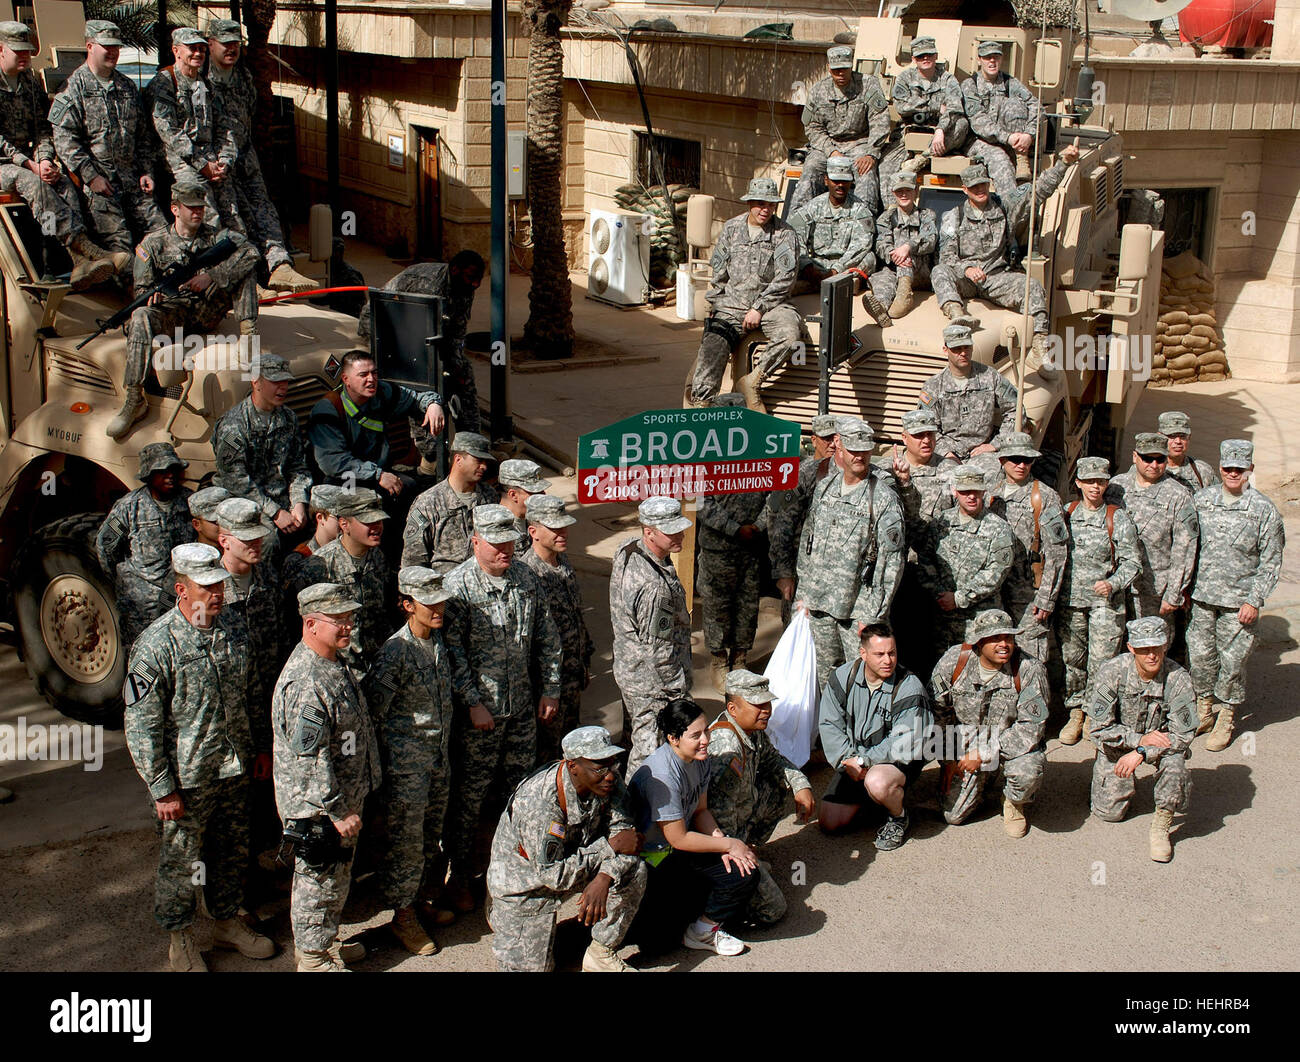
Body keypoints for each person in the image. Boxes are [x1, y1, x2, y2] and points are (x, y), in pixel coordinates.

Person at [124, 543, 275, 971]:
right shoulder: (156, 645)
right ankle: (181, 937)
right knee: (184, 860)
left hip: (235, 767)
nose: (216, 594)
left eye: (220, 586)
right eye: (206, 587)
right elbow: (141, 725)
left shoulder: (234, 629)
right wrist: (161, 787)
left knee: (231, 850)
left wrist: (261, 747)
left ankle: (227, 921)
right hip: (187, 778)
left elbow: (253, 694)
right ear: (180, 589)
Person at [442, 504, 563, 909]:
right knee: (470, 799)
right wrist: (473, 702)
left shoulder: (525, 577)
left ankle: (518, 874)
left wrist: (551, 688)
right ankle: (460, 876)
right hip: (481, 716)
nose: (504, 552)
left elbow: (547, 635)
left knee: (521, 795)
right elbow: (452, 653)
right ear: (475, 541)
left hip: (522, 711)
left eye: (509, 543)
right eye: (495, 545)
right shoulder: (457, 587)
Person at [272, 582, 380, 971]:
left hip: (343, 797)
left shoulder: (331, 661)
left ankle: (324, 942)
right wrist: (336, 810)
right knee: (317, 882)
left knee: (335, 879)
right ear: (311, 624)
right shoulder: (306, 680)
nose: (348, 626)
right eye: (339, 620)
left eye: (350, 617)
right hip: (319, 808)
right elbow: (309, 759)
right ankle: (313, 959)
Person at [107, 179, 261, 441]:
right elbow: (142, 288)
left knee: (245, 266)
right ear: (175, 209)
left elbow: (251, 251)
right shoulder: (152, 245)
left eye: (200, 207)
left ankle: (249, 335)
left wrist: (212, 276)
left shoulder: (216, 236)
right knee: (140, 316)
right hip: (175, 312)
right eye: (191, 207)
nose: (197, 213)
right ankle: (135, 398)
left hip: (207, 308)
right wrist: (153, 295)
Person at [487, 726, 646, 972]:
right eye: (599, 767)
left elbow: (627, 838)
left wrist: (604, 877)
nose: (610, 775)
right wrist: (608, 847)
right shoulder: (538, 804)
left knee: (634, 870)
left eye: (612, 763)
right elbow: (554, 876)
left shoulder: (608, 779)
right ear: (573, 766)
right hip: (525, 886)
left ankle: (599, 952)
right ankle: (502, 915)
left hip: (573, 862)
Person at [362, 567, 456, 955]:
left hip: (437, 760)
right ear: (407, 605)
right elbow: (374, 711)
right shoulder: (395, 652)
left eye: (441, 599)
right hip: (407, 767)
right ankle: (402, 916)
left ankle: (419, 900)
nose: (438, 608)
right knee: (406, 842)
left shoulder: (437, 644)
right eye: (428, 601)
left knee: (429, 837)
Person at [930, 138, 1081, 368]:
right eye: (974, 187)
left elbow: (1037, 191)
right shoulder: (954, 216)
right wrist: (967, 269)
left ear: (988, 184)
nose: (980, 190)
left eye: (983, 185)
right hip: (966, 279)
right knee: (940, 271)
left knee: (1031, 287)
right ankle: (955, 311)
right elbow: (947, 257)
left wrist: (1063, 163)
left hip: (996, 277)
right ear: (965, 190)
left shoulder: (1004, 205)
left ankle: (1040, 343)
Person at [629, 700, 759, 957]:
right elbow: (677, 838)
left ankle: (702, 931)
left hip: (678, 853)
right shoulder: (662, 777)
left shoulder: (699, 759)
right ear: (673, 738)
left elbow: (700, 811)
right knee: (658, 946)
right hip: (652, 860)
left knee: (743, 872)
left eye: (706, 731)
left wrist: (722, 843)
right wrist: (729, 844)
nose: (705, 740)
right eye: (695, 735)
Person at [0, 21, 122, 289]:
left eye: (27, 51)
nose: (24, 56)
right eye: (17, 50)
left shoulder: (30, 84)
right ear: (1, 49)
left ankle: (76, 260)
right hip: (6, 165)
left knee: (63, 183)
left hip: (30, 161)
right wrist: (29, 164)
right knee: (34, 185)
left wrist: (44, 159)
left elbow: (44, 129)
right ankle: (82, 248)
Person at [203, 19, 315, 291]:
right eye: (225, 43)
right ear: (210, 44)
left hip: (245, 154)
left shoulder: (243, 76)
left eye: (235, 44)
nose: (232, 49)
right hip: (216, 162)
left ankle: (280, 266)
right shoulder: (199, 79)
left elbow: (249, 110)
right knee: (232, 219)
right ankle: (248, 282)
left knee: (263, 208)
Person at [1187, 439, 1284, 751]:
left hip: (1238, 603)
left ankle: (1226, 716)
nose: (1233, 473)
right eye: (1228, 468)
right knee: (1200, 657)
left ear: (1250, 470)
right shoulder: (1202, 501)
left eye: (1239, 469)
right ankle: (1203, 710)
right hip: (1202, 597)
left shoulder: (1264, 510)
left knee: (1232, 663)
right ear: (1220, 467)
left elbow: (1271, 561)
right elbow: (1189, 546)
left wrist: (1254, 599)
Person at [797, 417, 906, 692]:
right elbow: (808, 542)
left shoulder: (882, 497)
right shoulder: (825, 488)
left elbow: (891, 562)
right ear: (839, 447)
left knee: (865, 686)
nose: (859, 456)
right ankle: (829, 734)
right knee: (825, 685)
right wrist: (803, 595)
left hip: (857, 613)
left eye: (865, 450)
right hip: (819, 606)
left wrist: (873, 615)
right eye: (853, 449)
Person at [706, 670, 815, 925]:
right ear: (733, 708)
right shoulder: (726, 749)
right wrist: (738, 852)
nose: (766, 710)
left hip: (737, 824)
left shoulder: (751, 731)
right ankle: (718, 906)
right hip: (720, 841)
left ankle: (749, 855)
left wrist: (801, 785)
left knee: (777, 786)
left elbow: (774, 760)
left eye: (767, 703)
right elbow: (718, 821)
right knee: (772, 910)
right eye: (757, 705)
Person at [48, 20, 166, 256]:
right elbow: (64, 140)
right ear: (90, 46)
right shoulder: (73, 88)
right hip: (101, 186)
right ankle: (136, 291)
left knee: (163, 235)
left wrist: (146, 171)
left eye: (116, 47)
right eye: (106, 46)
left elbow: (143, 136)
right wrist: (91, 178)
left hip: (133, 182)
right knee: (120, 249)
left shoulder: (127, 87)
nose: (113, 52)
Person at [930, 609, 1048, 837]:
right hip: (967, 744)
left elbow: (1031, 728)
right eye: (995, 639)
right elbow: (937, 713)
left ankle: (1013, 802)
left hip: (1011, 744)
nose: (1004, 644)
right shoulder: (953, 662)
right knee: (953, 816)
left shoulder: (1030, 669)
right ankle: (981, 783)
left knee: (1026, 773)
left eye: (1008, 638)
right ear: (979, 642)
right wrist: (948, 759)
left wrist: (984, 753)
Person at [687, 177, 803, 409]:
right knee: (710, 353)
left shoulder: (785, 234)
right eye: (760, 203)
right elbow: (719, 274)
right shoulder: (732, 229)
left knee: (790, 336)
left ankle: (751, 382)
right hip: (732, 304)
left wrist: (759, 308)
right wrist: (715, 308)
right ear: (749, 203)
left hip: (772, 306)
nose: (765, 209)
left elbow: (785, 278)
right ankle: (701, 407)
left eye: (770, 204)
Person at [1088, 617, 1196, 862]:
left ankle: (1162, 824)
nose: (1151, 656)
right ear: (1131, 648)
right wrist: (1138, 739)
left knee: (1176, 764)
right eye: (1144, 649)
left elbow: (1184, 734)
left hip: (1161, 746)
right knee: (1109, 813)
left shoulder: (1178, 678)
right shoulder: (1112, 672)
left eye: (1155, 648)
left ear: (1164, 646)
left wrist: (1142, 751)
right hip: (1118, 745)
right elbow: (1098, 729)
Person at [817, 623, 932, 848]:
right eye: (879, 654)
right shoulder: (842, 677)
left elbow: (904, 742)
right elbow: (830, 724)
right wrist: (846, 759)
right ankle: (875, 800)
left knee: (877, 782)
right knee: (829, 822)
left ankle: (898, 816)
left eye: (892, 653)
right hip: (855, 757)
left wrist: (863, 761)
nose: (887, 660)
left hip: (899, 760)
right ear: (863, 653)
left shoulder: (909, 687)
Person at [357, 252, 487, 440]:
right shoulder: (428, 286)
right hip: (386, 330)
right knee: (422, 383)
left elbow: (457, 332)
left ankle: (471, 445)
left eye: (479, 279)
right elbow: (414, 341)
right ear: (455, 270)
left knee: (463, 374)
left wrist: (455, 366)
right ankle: (429, 454)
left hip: (427, 335)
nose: (476, 284)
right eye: (471, 278)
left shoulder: (464, 287)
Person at [1056, 457, 1141, 745]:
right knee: (1073, 660)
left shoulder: (1116, 517)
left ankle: (1096, 714)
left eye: (1101, 481)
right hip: (1071, 603)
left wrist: (1113, 583)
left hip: (1105, 605)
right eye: (1089, 481)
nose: (1095, 487)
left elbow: (1132, 563)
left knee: (1102, 662)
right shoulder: (1067, 513)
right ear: (1078, 483)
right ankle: (1076, 712)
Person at [610, 496, 693, 778]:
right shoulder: (654, 588)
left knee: (634, 738)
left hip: (629, 668)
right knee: (649, 752)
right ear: (649, 532)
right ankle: (636, 812)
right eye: (671, 531)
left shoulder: (628, 549)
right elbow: (657, 650)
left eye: (679, 528)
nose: (680, 534)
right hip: (652, 684)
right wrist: (678, 692)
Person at [697, 395, 770, 689]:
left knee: (747, 605)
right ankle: (718, 659)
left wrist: (759, 525)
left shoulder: (760, 452)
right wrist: (732, 528)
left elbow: (774, 492)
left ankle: (740, 657)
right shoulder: (704, 456)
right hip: (718, 549)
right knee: (717, 607)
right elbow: (701, 502)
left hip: (750, 547)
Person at [307, 348, 445, 501]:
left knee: (409, 488)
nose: (371, 379)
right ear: (346, 379)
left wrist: (433, 404)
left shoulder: (382, 393)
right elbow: (332, 462)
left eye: (374, 373)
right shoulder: (329, 409)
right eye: (363, 375)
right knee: (355, 505)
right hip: (345, 477)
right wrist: (378, 474)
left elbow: (415, 398)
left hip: (376, 472)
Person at [876, 407, 952, 677]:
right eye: (919, 435)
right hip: (898, 571)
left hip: (936, 571)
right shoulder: (886, 471)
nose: (926, 441)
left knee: (932, 642)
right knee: (897, 637)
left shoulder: (950, 470)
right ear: (904, 437)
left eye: (930, 434)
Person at [519, 495, 595, 764]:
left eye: (564, 526)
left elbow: (576, 617)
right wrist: (545, 688)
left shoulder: (563, 564)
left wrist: (584, 658)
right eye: (555, 528)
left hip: (572, 674)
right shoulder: (528, 574)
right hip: (547, 683)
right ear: (534, 532)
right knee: (548, 754)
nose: (563, 533)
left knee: (571, 745)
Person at [97, 443, 196, 648]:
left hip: (180, 595)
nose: (169, 476)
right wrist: (127, 582)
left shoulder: (188, 501)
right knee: (140, 653)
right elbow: (106, 548)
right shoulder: (129, 506)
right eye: (161, 471)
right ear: (148, 475)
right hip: (141, 604)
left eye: (174, 470)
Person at [145, 27, 242, 231]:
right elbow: (168, 131)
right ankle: (211, 258)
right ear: (176, 51)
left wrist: (224, 160)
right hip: (180, 160)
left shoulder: (207, 84)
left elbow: (225, 127)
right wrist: (202, 164)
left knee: (233, 212)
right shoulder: (165, 83)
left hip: (211, 159)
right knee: (207, 214)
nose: (198, 53)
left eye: (202, 49)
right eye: (192, 48)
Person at [916, 463, 1016, 654]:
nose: (971, 496)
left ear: (983, 492)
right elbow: (926, 560)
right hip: (942, 615)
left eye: (976, 492)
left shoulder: (998, 528)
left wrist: (959, 598)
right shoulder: (942, 523)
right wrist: (939, 594)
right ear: (955, 492)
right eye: (965, 491)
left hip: (979, 619)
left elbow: (996, 574)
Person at [212, 352, 312, 540]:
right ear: (255, 382)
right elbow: (236, 481)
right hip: (247, 501)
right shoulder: (234, 425)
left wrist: (299, 502)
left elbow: (298, 466)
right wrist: (275, 513)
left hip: (282, 497)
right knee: (267, 539)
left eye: (286, 382)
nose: (283, 388)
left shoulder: (288, 418)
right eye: (276, 382)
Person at [988, 431, 1068, 662]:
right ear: (1002, 460)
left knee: (1031, 656)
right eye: (1015, 459)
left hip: (1028, 592)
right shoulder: (990, 494)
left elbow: (1057, 553)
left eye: (1028, 460)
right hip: (995, 590)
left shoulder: (1045, 497)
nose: (1021, 465)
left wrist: (1047, 598)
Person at [1105, 432, 1198, 622]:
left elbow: (1185, 549)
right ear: (1134, 457)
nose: (1154, 465)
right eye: (1147, 459)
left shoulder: (1178, 495)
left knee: (1150, 648)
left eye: (1160, 459)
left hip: (1153, 590)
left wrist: (1174, 594)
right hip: (1115, 585)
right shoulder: (1115, 487)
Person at [297, 488, 391, 675]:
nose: (376, 527)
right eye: (368, 521)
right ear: (344, 524)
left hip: (377, 661)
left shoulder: (378, 557)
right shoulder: (320, 565)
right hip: (339, 667)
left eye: (378, 521)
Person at [789, 45, 890, 214]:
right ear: (828, 68)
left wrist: (871, 153)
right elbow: (813, 127)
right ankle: (797, 220)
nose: (840, 74)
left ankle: (864, 220)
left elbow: (880, 120)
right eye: (836, 70)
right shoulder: (818, 90)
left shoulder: (868, 85)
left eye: (844, 69)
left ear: (851, 66)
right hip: (828, 145)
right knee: (811, 168)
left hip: (860, 144)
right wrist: (831, 151)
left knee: (866, 172)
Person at [768, 413, 844, 615]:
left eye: (837, 439)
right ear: (814, 439)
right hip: (798, 567)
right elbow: (780, 524)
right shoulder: (801, 473)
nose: (833, 445)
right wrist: (783, 572)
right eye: (827, 439)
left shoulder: (846, 473)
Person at [917, 324, 1024, 465]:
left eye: (966, 347)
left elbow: (1016, 410)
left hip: (983, 452)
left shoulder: (990, 377)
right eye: (956, 349)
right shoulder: (933, 386)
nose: (963, 353)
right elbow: (927, 426)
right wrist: (946, 453)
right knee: (940, 479)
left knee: (993, 477)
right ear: (945, 350)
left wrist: (996, 444)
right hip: (946, 453)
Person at [401, 431, 498, 572]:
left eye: (485, 462)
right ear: (458, 459)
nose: (484, 467)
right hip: (444, 586)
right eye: (478, 461)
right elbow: (413, 562)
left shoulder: (490, 496)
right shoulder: (428, 503)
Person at [787, 155, 877, 299]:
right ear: (826, 180)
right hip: (817, 264)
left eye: (845, 181)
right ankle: (834, 284)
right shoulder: (812, 207)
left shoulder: (861, 210)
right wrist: (809, 268)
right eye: (836, 180)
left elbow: (861, 245)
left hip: (845, 267)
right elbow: (795, 238)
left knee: (870, 258)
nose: (840, 185)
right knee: (791, 256)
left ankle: (825, 284)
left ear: (851, 182)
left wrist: (836, 270)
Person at [961, 40, 1042, 195]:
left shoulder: (1010, 82)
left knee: (1015, 104)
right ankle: (1011, 209)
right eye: (987, 57)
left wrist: (1028, 135)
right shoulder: (970, 85)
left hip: (1012, 141)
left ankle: (1021, 156)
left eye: (996, 57)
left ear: (1001, 59)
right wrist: (1008, 137)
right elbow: (978, 121)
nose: (992, 61)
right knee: (1001, 162)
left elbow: (1036, 105)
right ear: (979, 60)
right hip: (978, 141)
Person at [887, 36, 970, 179]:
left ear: (936, 56)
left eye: (929, 54)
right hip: (908, 130)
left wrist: (940, 129)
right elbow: (901, 106)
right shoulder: (905, 78)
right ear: (914, 59)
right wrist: (936, 106)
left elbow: (954, 108)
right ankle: (891, 202)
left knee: (962, 124)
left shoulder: (948, 79)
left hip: (941, 133)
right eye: (920, 56)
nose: (925, 58)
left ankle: (923, 158)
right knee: (885, 167)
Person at [865, 171, 938, 323]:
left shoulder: (927, 215)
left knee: (907, 258)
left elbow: (930, 239)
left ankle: (904, 296)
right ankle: (881, 309)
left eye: (908, 190)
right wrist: (892, 254)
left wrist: (908, 247)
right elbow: (881, 243)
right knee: (881, 279)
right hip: (893, 269)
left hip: (920, 272)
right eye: (899, 191)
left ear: (915, 191)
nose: (904, 195)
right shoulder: (886, 218)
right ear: (893, 193)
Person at [1158, 410, 1220, 492]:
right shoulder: (1149, 469)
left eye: (1182, 436)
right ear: (1160, 436)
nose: (1178, 441)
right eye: (1172, 436)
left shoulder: (1202, 471)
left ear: (1189, 437)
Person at [497, 458, 550, 550]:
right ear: (513, 495)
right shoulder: (497, 529)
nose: (543, 494)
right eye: (535, 492)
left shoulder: (531, 519)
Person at [187, 485, 231, 549]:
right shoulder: (189, 556)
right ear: (197, 524)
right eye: (216, 522)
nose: (225, 526)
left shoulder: (241, 553)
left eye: (228, 520)